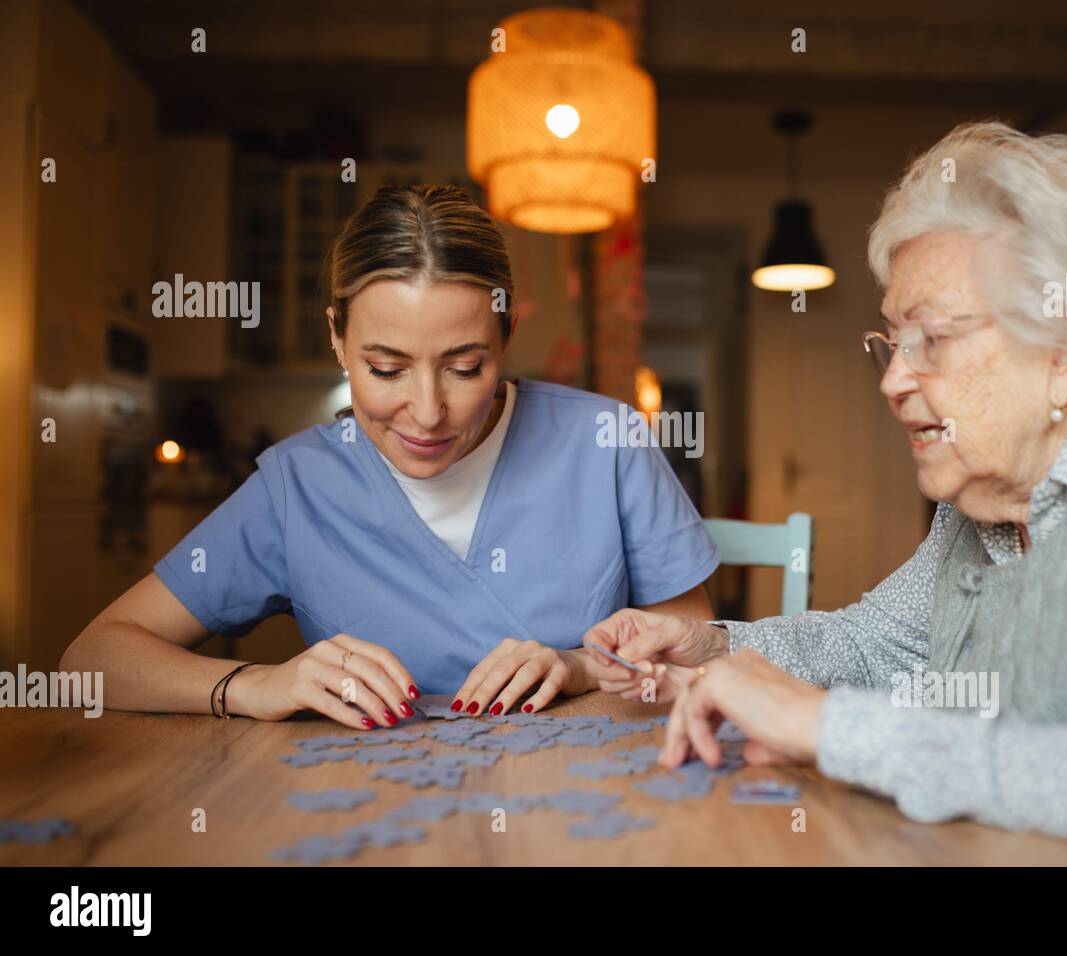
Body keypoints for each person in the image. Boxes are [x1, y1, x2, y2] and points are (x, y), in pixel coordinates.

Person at [584, 122, 1067, 866]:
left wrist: (834, 729)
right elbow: (871, 645)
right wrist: (714, 647)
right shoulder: (985, 501)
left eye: (934, 338)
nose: (894, 380)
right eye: (892, 343)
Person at [63, 185, 718, 730]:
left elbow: (697, 641)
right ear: (338, 340)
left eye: (465, 367)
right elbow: (92, 658)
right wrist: (255, 684)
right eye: (386, 368)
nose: (428, 411)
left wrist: (578, 666)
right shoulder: (298, 486)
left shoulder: (606, 440)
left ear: (507, 336)